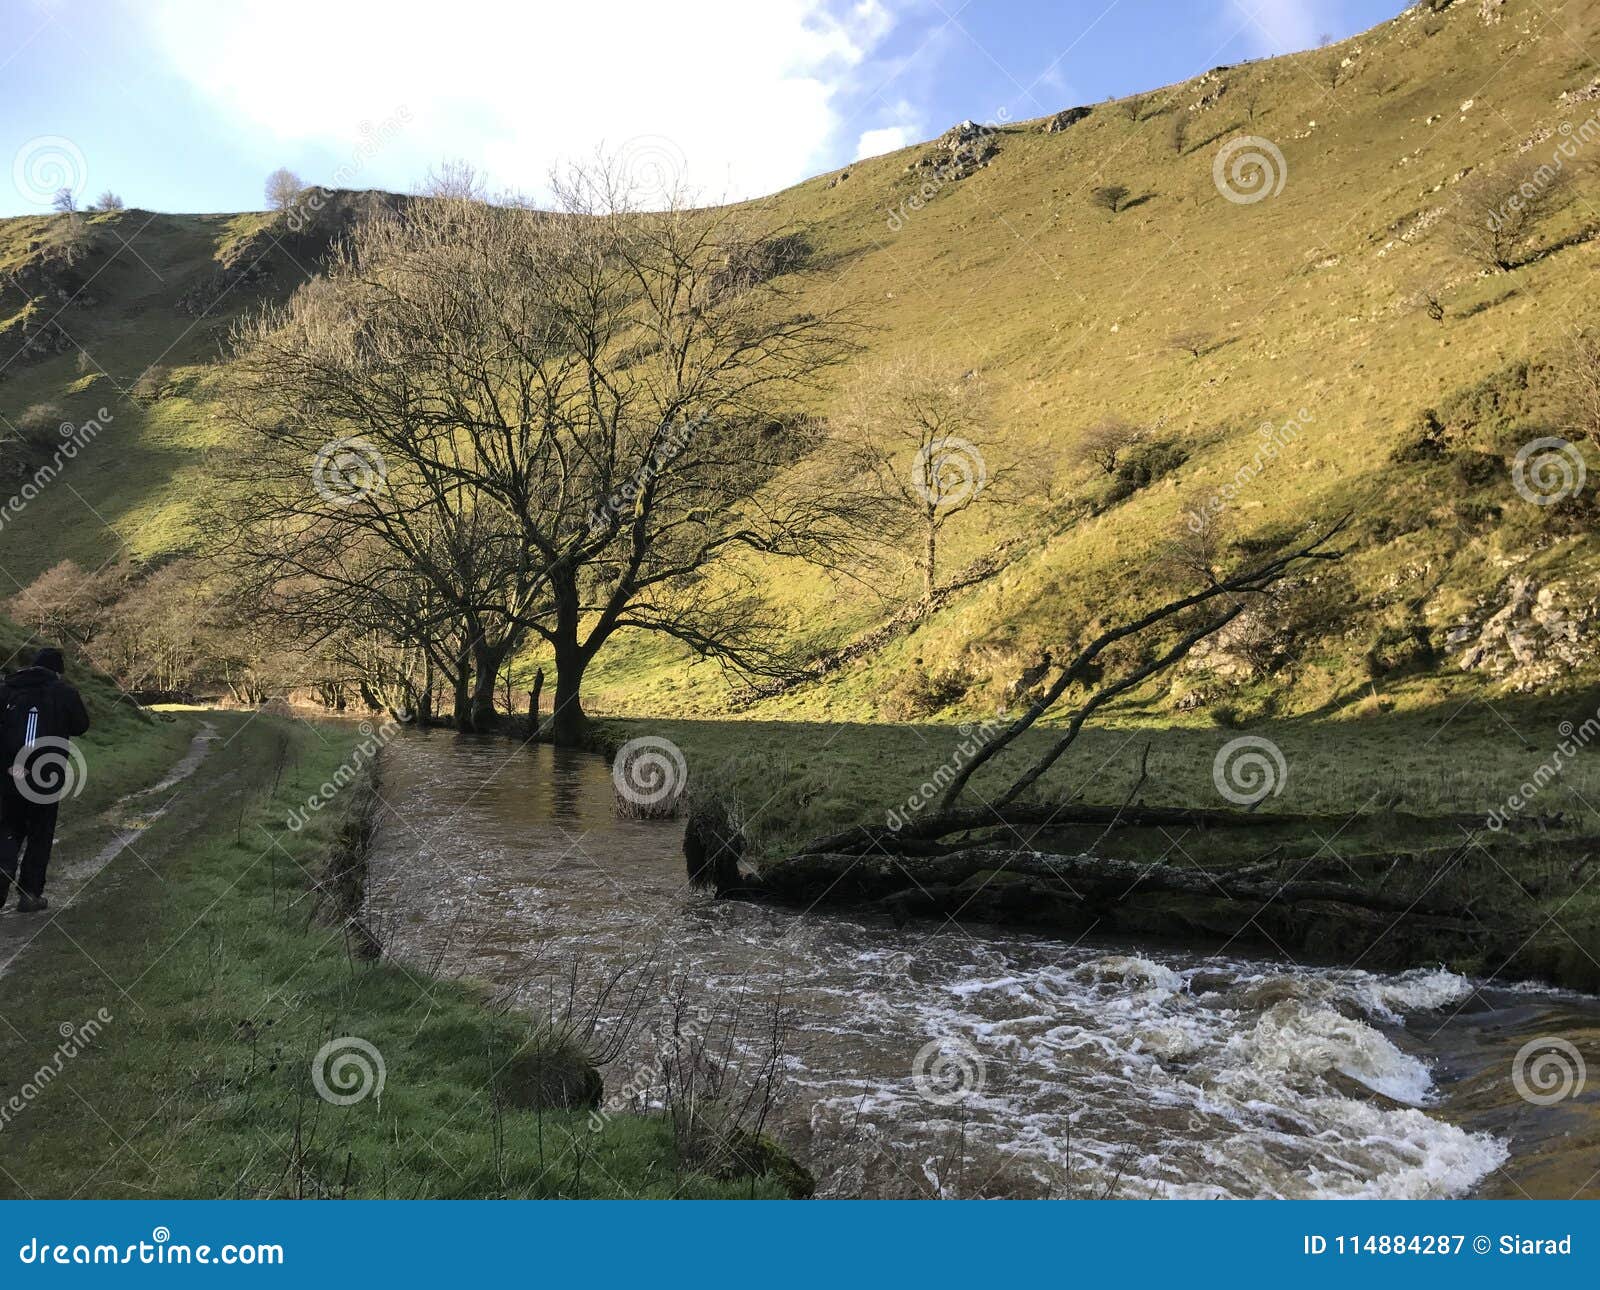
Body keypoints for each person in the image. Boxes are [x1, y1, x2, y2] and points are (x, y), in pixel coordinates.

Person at [0, 647, 91, 913]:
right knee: (40, 832)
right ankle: (30, 893)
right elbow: (81, 726)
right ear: (57, 671)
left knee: (8, 826)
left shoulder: (6, 689)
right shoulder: (64, 693)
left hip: (8, 772)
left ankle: (4, 868)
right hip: (45, 773)